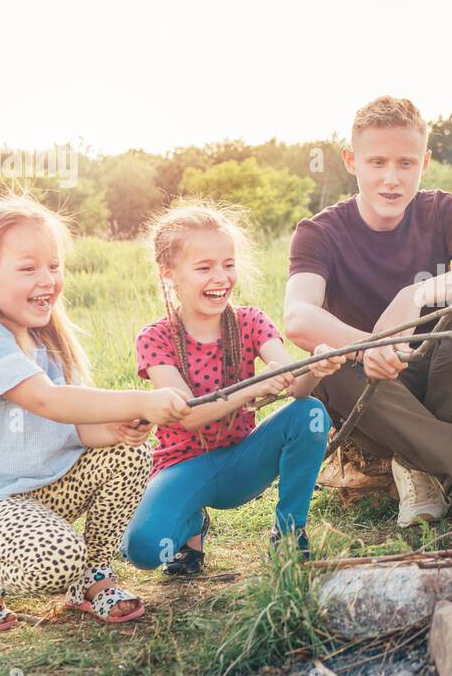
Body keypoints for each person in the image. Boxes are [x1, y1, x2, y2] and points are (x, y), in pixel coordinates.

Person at [0, 194, 191, 636]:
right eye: (28, 269)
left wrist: (114, 429)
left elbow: (65, 422)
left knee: (128, 453)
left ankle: (92, 577)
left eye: (53, 266)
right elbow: (45, 400)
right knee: (59, 557)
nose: (47, 280)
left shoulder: (42, 338)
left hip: (36, 491)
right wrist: (140, 400)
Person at [284, 95, 452, 531]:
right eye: (377, 163)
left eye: (406, 164)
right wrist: (366, 348)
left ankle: (417, 464)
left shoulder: (440, 209)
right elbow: (298, 317)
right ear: (350, 160)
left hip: (438, 378)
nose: (391, 179)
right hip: (370, 393)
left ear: (426, 162)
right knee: (328, 362)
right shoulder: (319, 232)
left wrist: (417, 292)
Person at [123, 202, 339, 571]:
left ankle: (289, 532)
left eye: (228, 264)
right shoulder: (155, 338)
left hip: (243, 461)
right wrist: (251, 389)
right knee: (144, 551)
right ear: (169, 272)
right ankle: (193, 522)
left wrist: (316, 368)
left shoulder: (251, 321)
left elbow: (294, 387)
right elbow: (187, 415)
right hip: (183, 465)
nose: (220, 277)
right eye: (204, 268)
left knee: (310, 413)